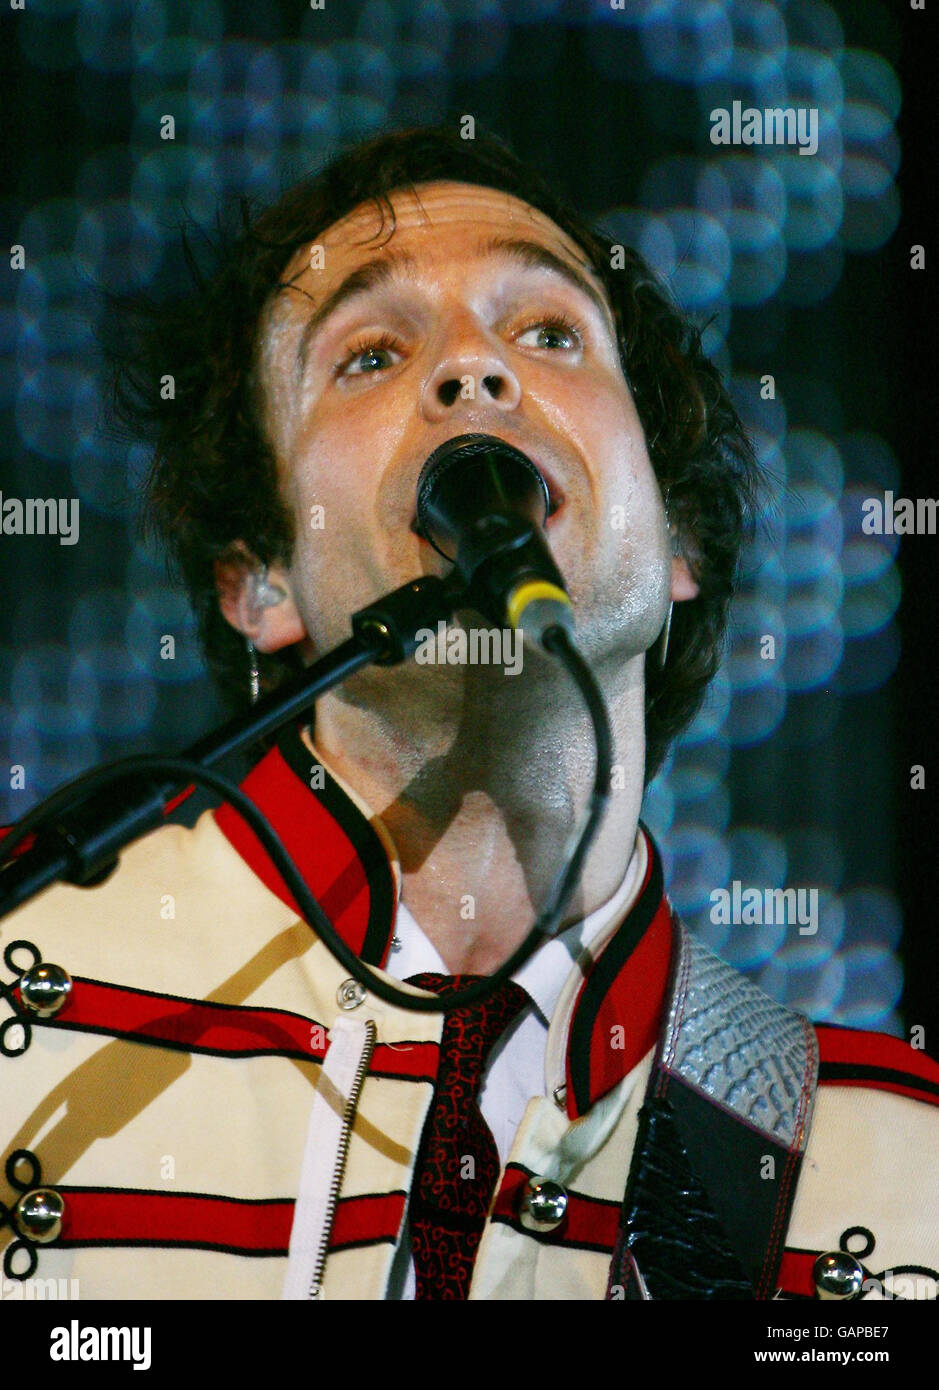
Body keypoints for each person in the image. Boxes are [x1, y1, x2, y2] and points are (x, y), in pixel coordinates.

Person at [1, 126, 936, 1302]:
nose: (472, 370)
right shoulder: (18, 979)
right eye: (370, 353)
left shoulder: (905, 1169)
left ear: (678, 539)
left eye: (550, 332)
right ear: (263, 581)